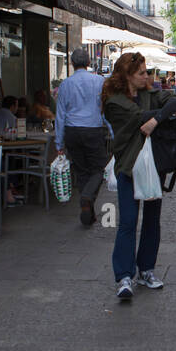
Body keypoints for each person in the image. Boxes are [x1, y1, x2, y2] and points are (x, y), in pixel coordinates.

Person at [102, 52, 176, 300]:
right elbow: (139, 118)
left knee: (152, 220)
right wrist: (159, 114)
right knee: (127, 221)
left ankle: (146, 270)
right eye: (141, 73)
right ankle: (124, 275)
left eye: (146, 72)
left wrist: (157, 118)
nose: (147, 76)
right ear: (127, 76)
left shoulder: (149, 93)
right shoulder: (114, 102)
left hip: (151, 167)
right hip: (128, 167)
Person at [54, 48, 110, 226]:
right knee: (98, 169)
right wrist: (114, 132)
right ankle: (87, 198)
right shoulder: (99, 81)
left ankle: (88, 211)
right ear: (88, 63)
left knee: (81, 170)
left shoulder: (65, 84)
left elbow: (60, 115)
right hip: (93, 130)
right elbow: (105, 110)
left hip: (72, 131)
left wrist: (59, 142)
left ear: (72, 63)